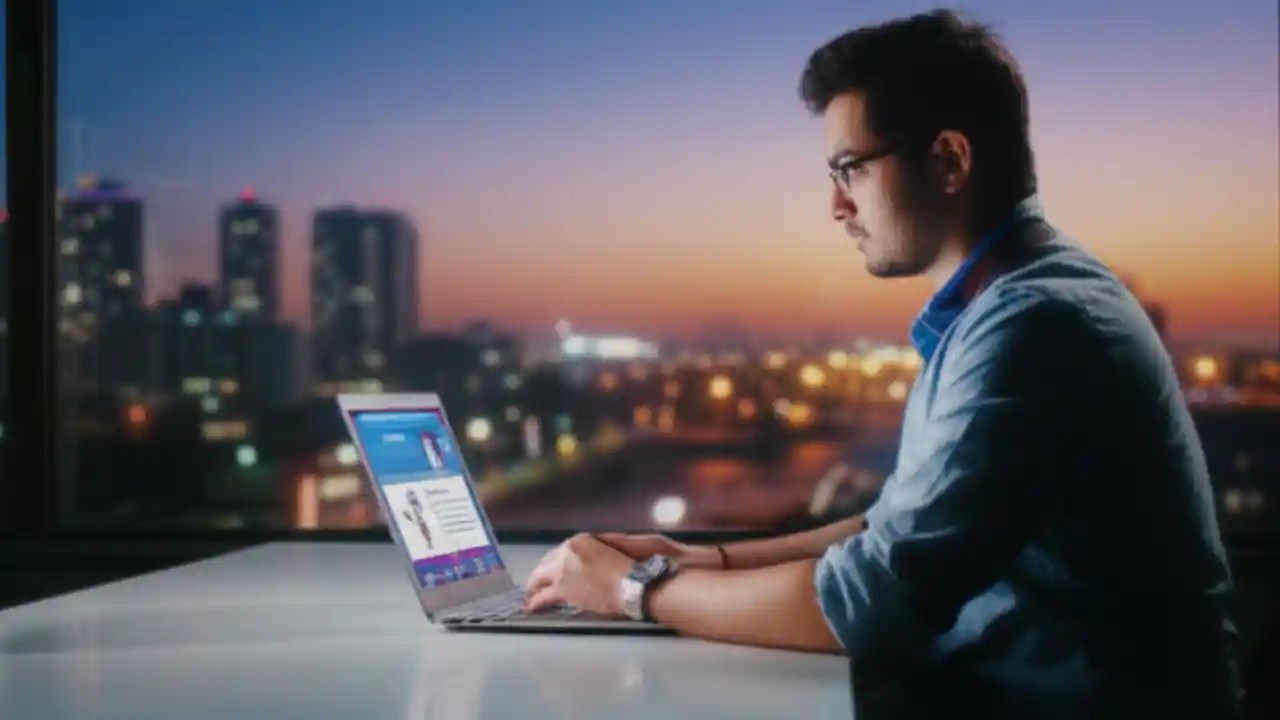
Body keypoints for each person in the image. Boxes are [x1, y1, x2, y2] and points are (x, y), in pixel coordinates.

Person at [522, 8, 1242, 717]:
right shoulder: (1000, 308)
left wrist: (634, 591)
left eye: (851, 169)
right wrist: (696, 559)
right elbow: (889, 529)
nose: (836, 205)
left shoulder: (1038, 326)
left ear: (950, 159)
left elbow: (876, 600)